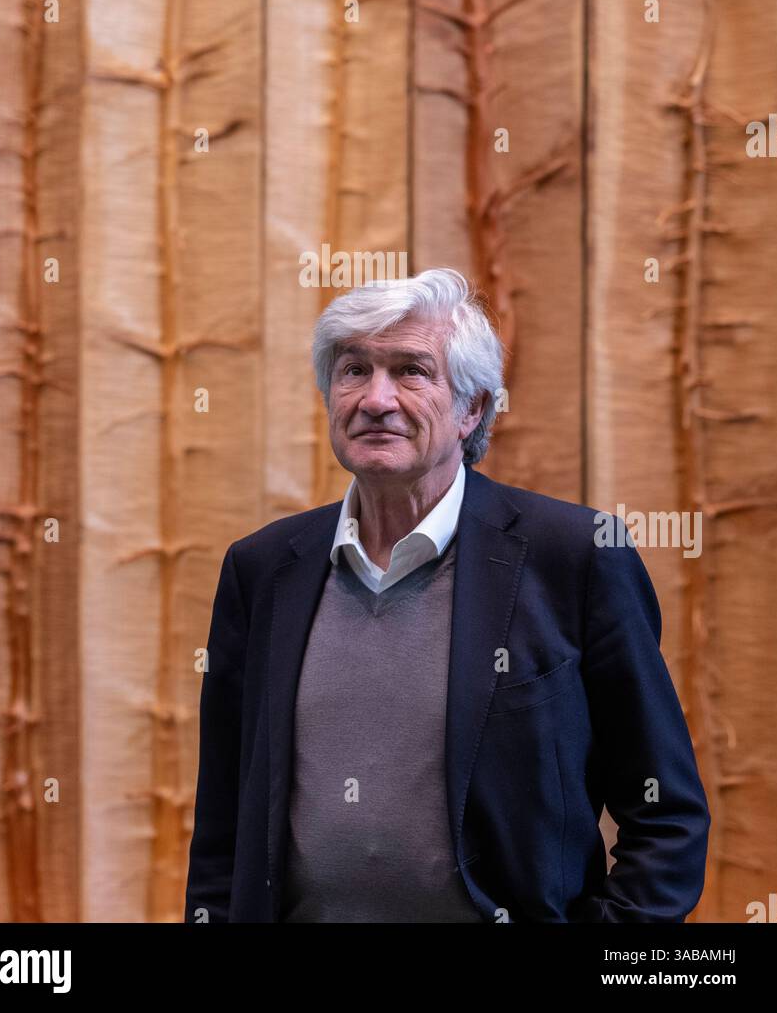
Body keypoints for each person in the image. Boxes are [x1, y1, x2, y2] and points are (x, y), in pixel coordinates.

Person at [183, 266, 710, 922]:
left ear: (473, 409)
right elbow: (222, 827)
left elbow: (666, 816)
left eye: (411, 371)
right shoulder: (263, 568)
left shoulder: (574, 555)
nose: (377, 398)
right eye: (353, 370)